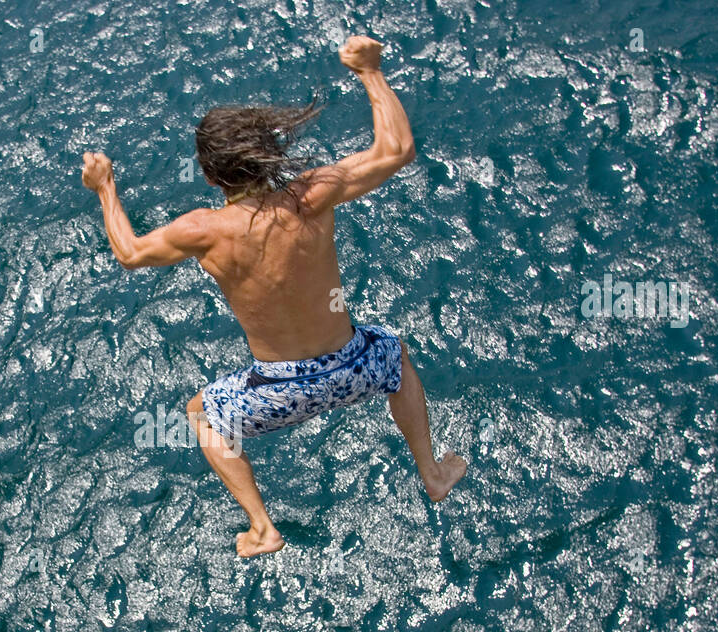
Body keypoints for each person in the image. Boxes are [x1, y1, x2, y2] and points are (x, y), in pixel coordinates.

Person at [81, 35, 466, 557]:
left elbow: (128, 252)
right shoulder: (311, 193)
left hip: (278, 391)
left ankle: (262, 527)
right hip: (354, 367)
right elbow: (397, 150)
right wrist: (370, 71)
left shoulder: (204, 230)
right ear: (267, 155)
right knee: (394, 353)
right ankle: (433, 473)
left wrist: (106, 187)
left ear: (211, 174)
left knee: (201, 414)